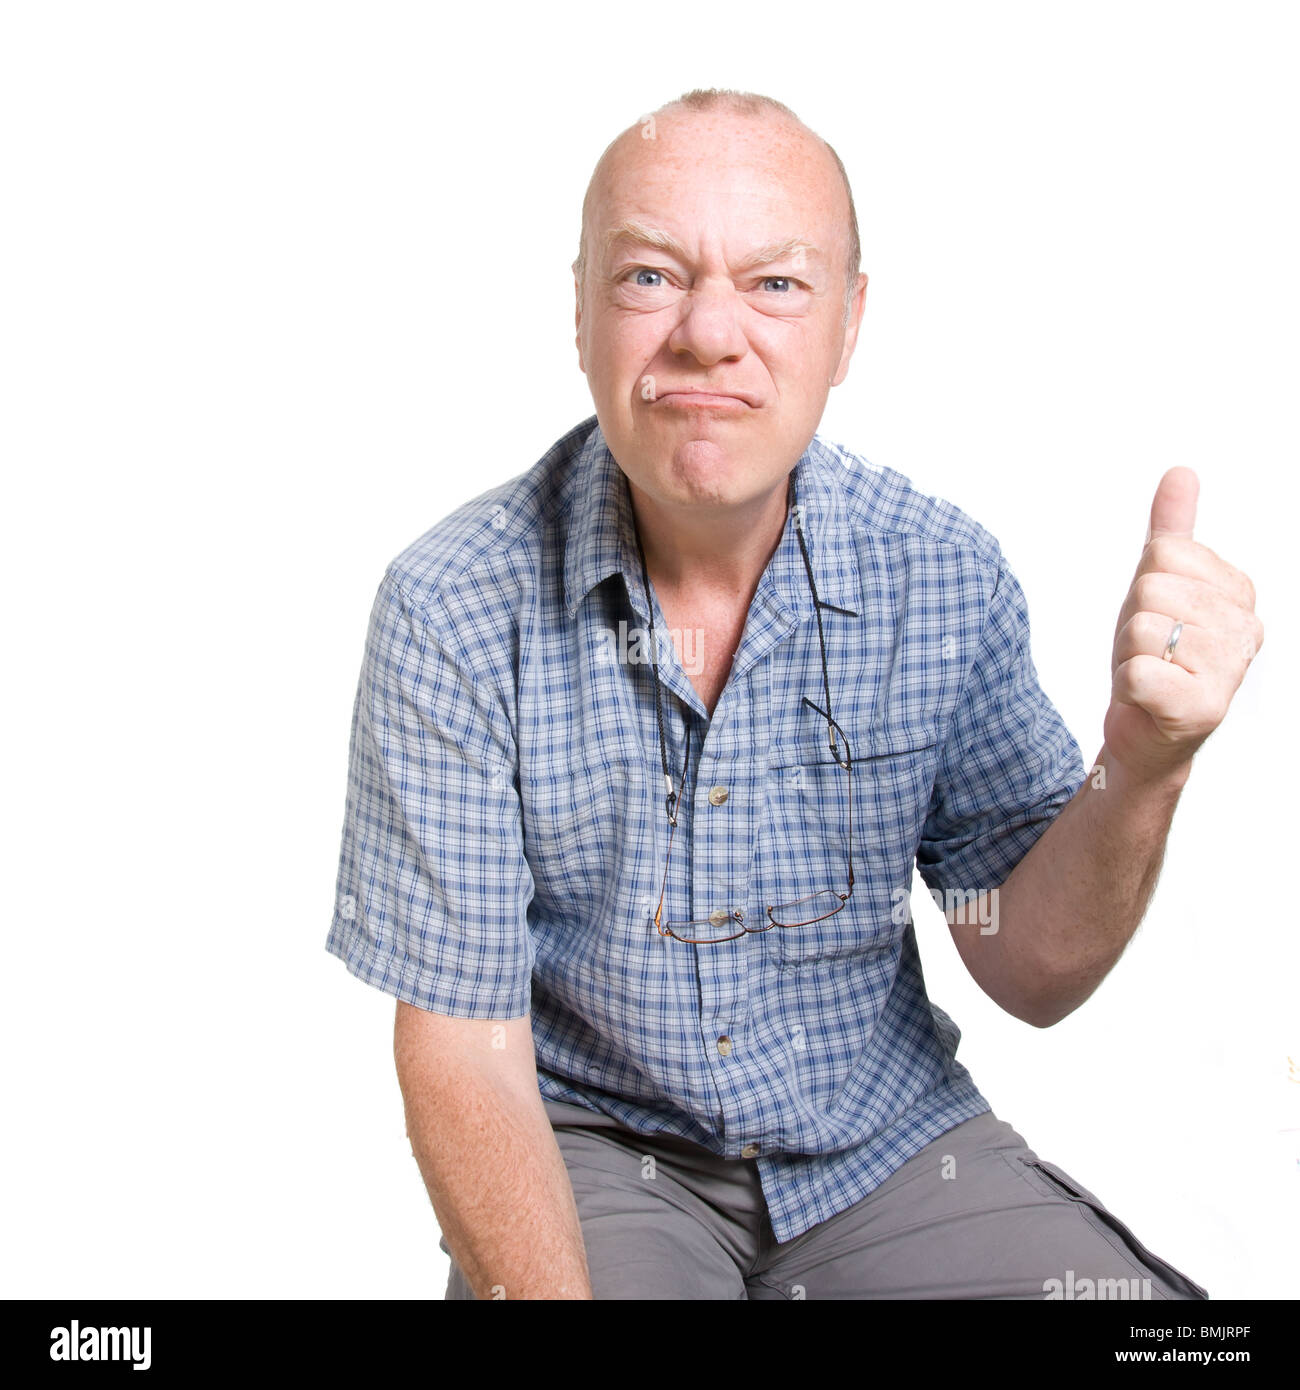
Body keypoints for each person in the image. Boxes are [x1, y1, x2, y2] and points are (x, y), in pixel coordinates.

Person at [325, 88, 1262, 1300]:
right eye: (650, 276)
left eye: (775, 283)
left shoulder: (940, 572)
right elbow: (466, 1054)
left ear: (848, 323)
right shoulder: (453, 608)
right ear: (580, 311)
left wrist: (1140, 768)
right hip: (599, 1157)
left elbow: (1030, 966)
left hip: (888, 1149)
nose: (709, 334)